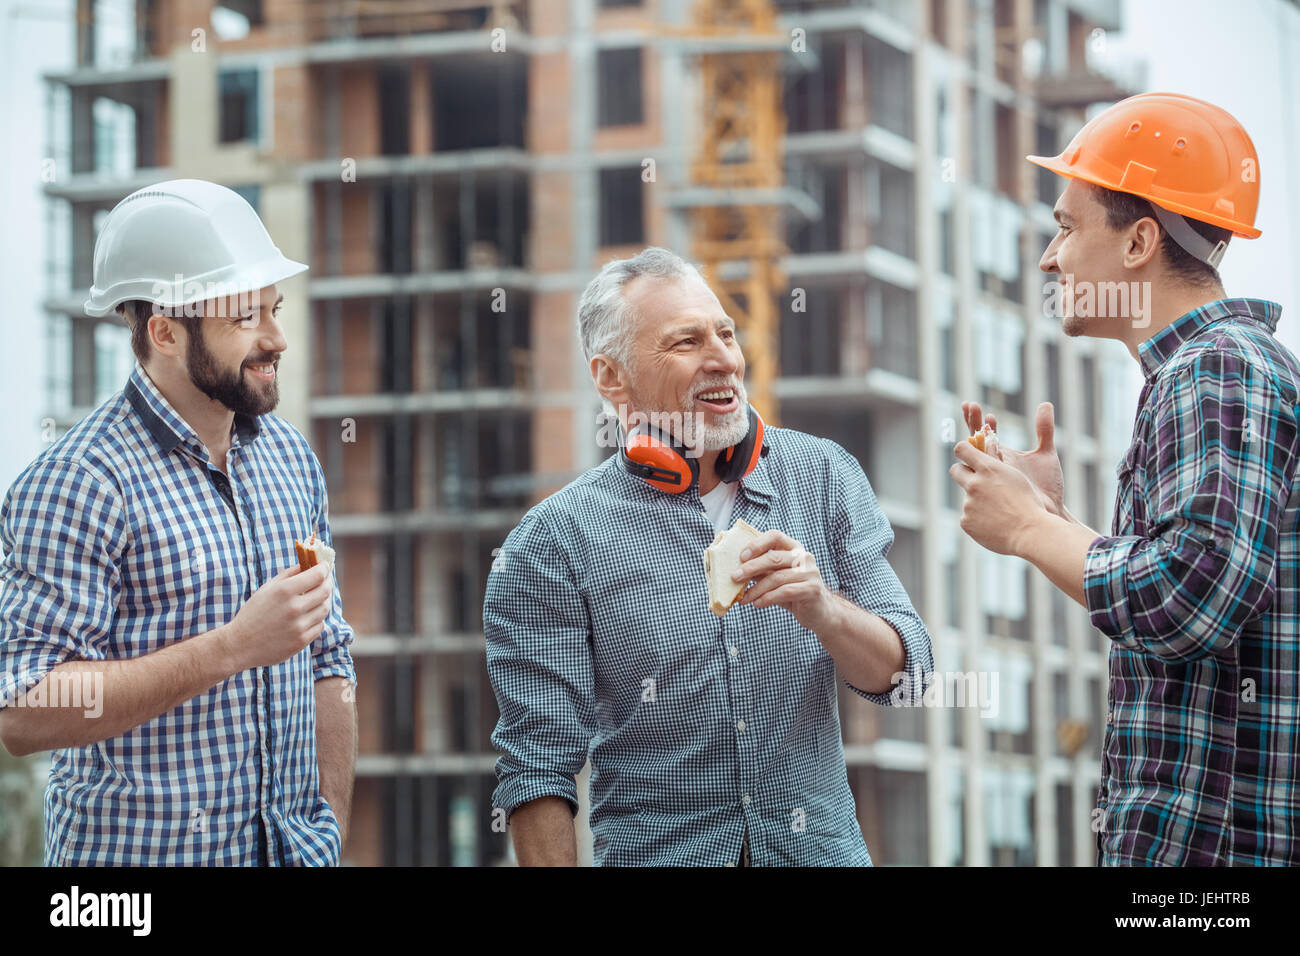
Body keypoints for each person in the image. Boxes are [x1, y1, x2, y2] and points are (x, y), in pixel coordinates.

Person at [484, 247, 933, 866]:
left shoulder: (825, 475)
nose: (723, 358)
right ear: (611, 377)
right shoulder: (551, 542)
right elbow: (537, 771)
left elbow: (911, 677)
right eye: (686, 342)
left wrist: (822, 608)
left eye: (725, 333)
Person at [950, 93, 1298, 865]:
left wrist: (1032, 531)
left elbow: (1193, 599)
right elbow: (1191, 592)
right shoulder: (1208, 371)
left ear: (1139, 240)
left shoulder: (1216, 368)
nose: (1049, 257)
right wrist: (1056, 522)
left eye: (1067, 227)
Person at [0, 179, 356, 865]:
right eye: (246, 318)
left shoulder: (290, 460)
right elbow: (24, 708)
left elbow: (328, 657)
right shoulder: (77, 482)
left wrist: (327, 832)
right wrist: (231, 647)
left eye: (274, 311)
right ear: (164, 331)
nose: (277, 338)